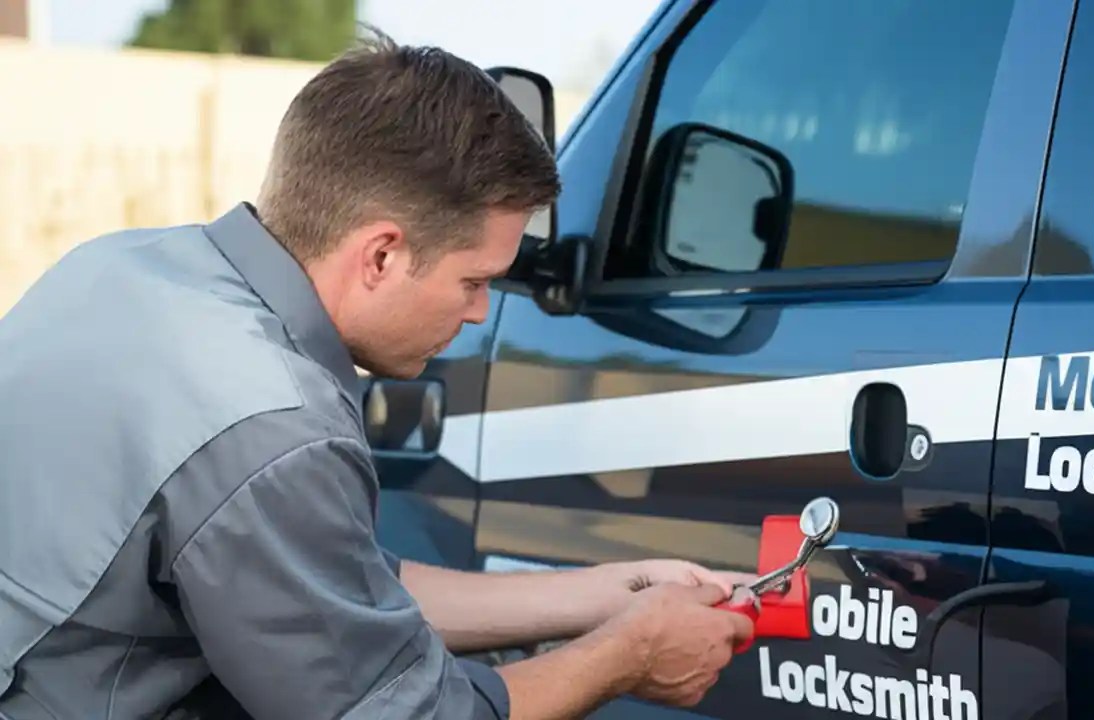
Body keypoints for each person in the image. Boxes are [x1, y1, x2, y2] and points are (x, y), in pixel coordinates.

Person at [0, 30, 754, 720]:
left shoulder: (120, 267)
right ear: (382, 255)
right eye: (473, 281)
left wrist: (600, 594)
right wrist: (626, 657)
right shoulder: (271, 424)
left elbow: (332, 591)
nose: (480, 313)